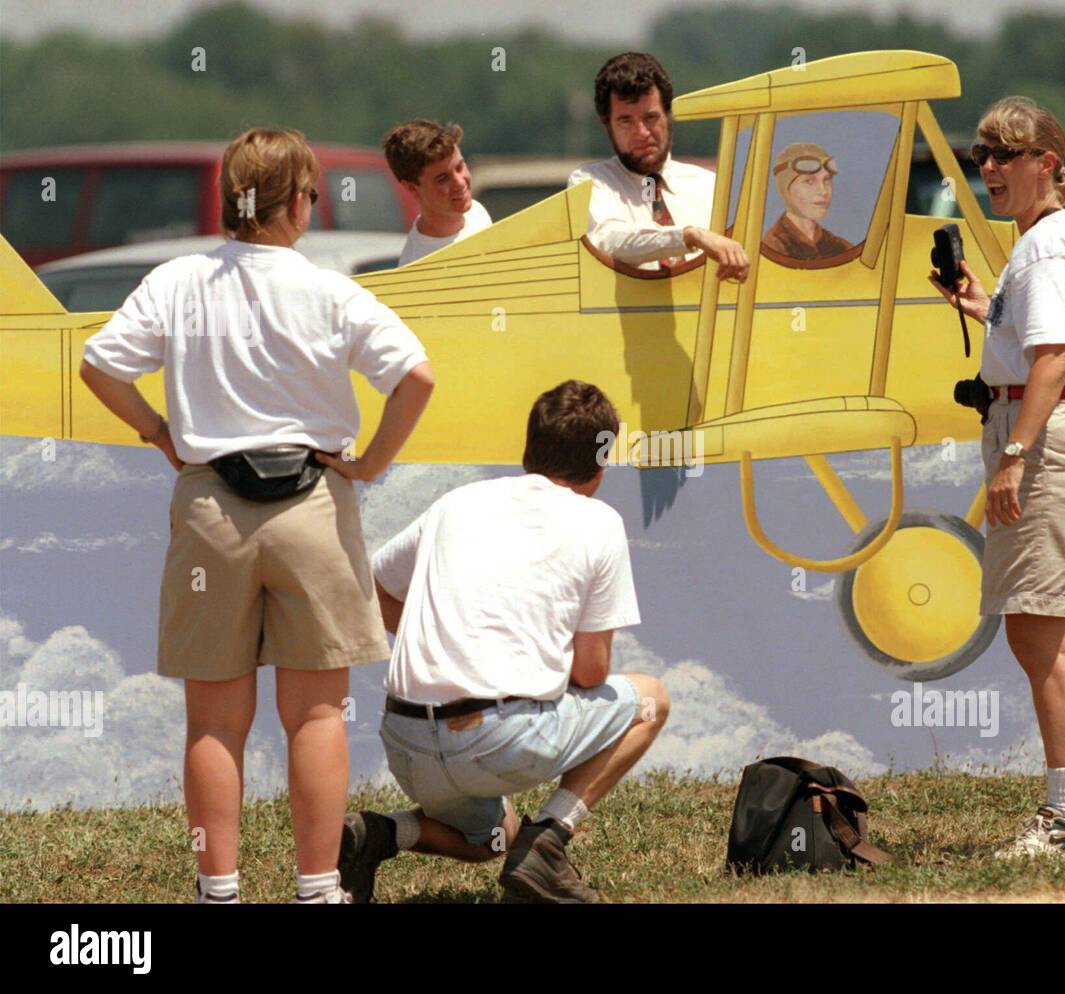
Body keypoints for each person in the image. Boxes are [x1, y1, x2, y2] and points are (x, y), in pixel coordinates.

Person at [79, 127, 434, 903]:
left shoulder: (177, 281)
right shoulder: (332, 289)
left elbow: (98, 365)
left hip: (211, 508)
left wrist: (158, 431)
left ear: (229, 200)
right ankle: (316, 889)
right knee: (316, 717)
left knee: (213, 722)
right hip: (313, 506)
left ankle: (219, 891)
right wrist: (371, 464)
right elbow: (416, 377)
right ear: (301, 203)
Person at [337, 380, 670, 904]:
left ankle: (376, 833)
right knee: (651, 698)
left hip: (406, 743)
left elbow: (371, 590)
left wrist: (449, 637)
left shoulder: (458, 502)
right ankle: (550, 842)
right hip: (496, 741)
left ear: (528, 449)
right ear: (601, 467)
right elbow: (589, 673)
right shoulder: (600, 522)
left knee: (494, 838)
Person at [928, 97, 1065, 857]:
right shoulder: (1057, 238)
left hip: (1045, 439)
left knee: (1037, 636)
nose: (988, 168)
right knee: (1064, 634)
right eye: (982, 154)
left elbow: (1048, 359)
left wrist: (1015, 456)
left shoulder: (1043, 245)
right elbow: (1040, 344)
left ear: (1047, 162)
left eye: (1005, 155)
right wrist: (985, 308)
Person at [568, 51, 749, 280]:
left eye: (651, 118)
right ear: (606, 124)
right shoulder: (590, 183)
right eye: (626, 121)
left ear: (668, 115)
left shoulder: (711, 186)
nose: (642, 133)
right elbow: (608, 242)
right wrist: (688, 237)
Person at [383, 119, 492, 267]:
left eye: (460, 167)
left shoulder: (477, 212)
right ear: (411, 188)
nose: (460, 183)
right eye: (443, 179)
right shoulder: (416, 266)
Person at [762, 142, 855, 261]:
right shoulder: (772, 249)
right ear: (786, 188)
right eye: (809, 181)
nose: (823, 191)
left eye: (826, 180)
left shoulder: (842, 248)